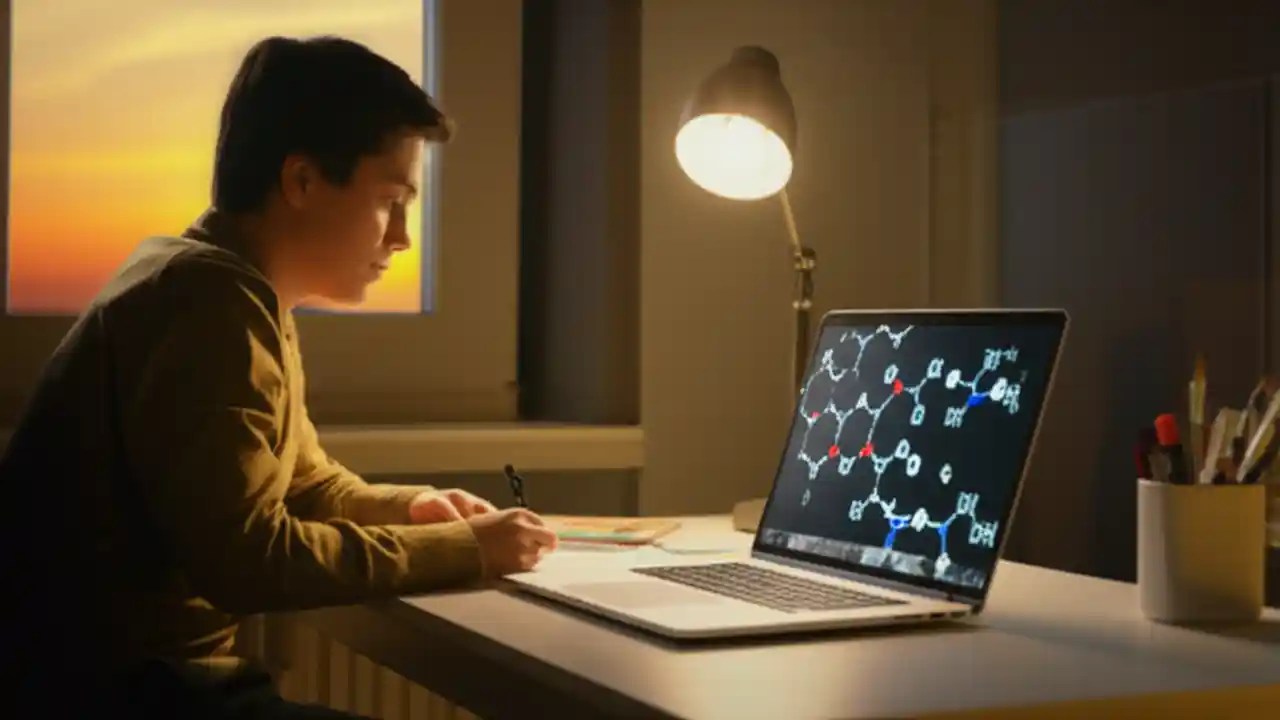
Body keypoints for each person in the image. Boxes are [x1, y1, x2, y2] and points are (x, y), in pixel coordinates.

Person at [1, 35, 558, 717]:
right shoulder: (209, 304)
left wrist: (410, 509)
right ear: (300, 181)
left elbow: (302, 481)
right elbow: (250, 558)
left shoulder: (226, 284)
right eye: (390, 200)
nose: (402, 236)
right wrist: (462, 550)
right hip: (120, 694)